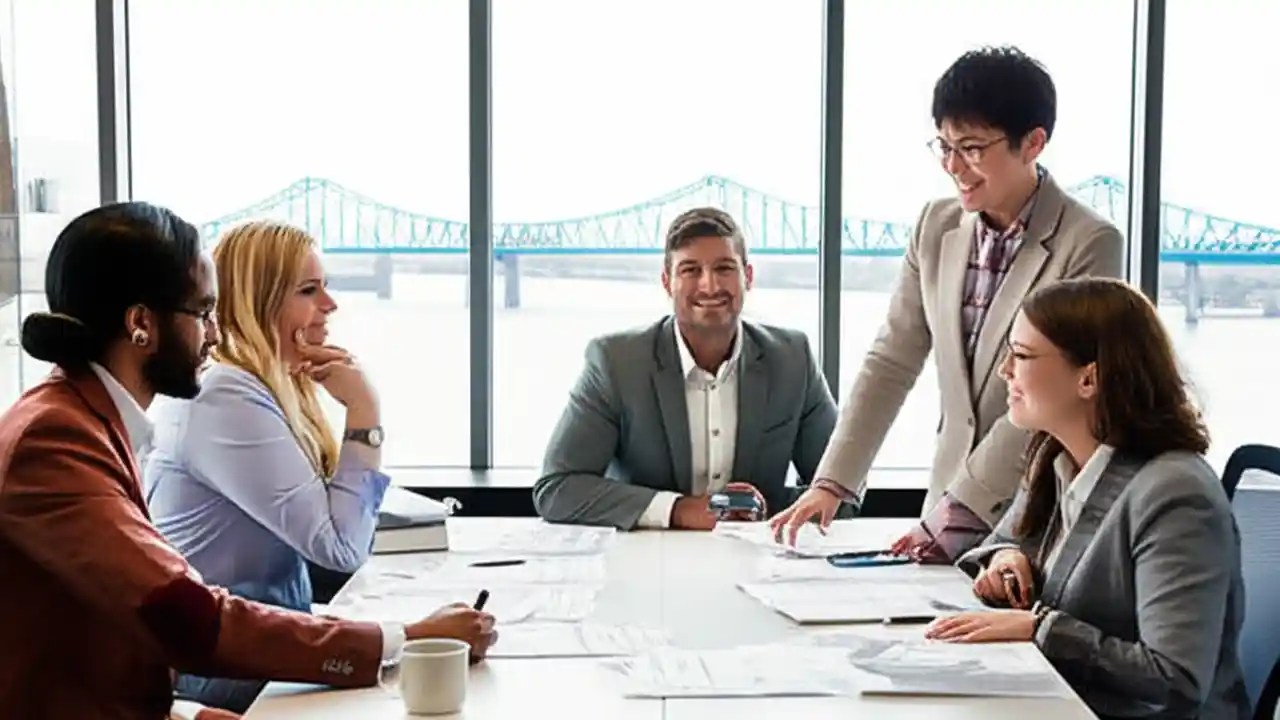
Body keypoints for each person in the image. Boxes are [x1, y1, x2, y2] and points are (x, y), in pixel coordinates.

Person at [0, 203, 495, 719]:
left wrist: (186, 714)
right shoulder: (53, 439)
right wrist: (406, 638)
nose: (214, 334)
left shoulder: (83, 416)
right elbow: (186, 618)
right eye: (203, 313)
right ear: (141, 324)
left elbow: (114, 629)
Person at [771, 45, 1124, 561]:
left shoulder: (1088, 241)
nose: (954, 166)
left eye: (973, 148)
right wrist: (833, 482)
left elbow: (1055, 394)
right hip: (944, 505)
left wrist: (961, 510)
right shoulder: (935, 228)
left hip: (1036, 514)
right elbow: (891, 361)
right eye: (944, 145)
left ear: (1033, 143)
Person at [923, 277, 1248, 719]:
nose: (1005, 371)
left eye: (1021, 355)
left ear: (1089, 378)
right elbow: (1003, 542)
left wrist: (1041, 629)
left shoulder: (1176, 495)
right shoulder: (1057, 458)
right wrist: (1004, 562)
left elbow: (1175, 680)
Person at [143, 220, 392, 712]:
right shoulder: (224, 394)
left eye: (325, 287)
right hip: (220, 670)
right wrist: (365, 411)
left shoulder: (265, 384)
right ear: (261, 301)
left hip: (263, 646)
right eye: (308, 290)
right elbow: (342, 547)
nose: (330, 304)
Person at [534, 207, 838, 530]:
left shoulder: (793, 360)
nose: (709, 286)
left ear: (747, 277)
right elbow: (557, 489)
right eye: (690, 270)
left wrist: (761, 513)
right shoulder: (616, 363)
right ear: (667, 282)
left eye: (724, 268)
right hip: (648, 566)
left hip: (761, 566)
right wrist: (679, 510)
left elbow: (843, 485)